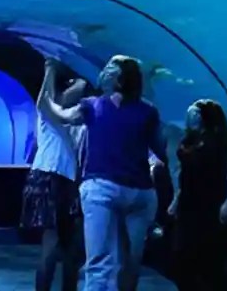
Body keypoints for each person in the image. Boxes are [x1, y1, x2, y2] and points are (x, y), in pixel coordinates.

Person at [38, 55, 167, 291]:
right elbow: (161, 149)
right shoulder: (142, 110)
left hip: (109, 190)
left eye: (110, 67)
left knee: (105, 262)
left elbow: (59, 114)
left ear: (119, 78)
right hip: (136, 192)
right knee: (123, 261)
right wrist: (47, 91)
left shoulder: (95, 106)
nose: (104, 70)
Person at [23, 62, 89, 291]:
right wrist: (50, 67)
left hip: (69, 182)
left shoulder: (78, 118)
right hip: (48, 177)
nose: (79, 89)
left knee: (72, 249)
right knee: (50, 246)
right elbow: (44, 99)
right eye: (71, 86)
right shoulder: (47, 112)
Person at [167, 99, 227, 291]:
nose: (189, 117)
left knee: (211, 264)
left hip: (211, 207)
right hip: (188, 207)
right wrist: (176, 199)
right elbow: (185, 174)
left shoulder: (219, 142)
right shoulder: (189, 140)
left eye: (194, 114)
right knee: (182, 260)